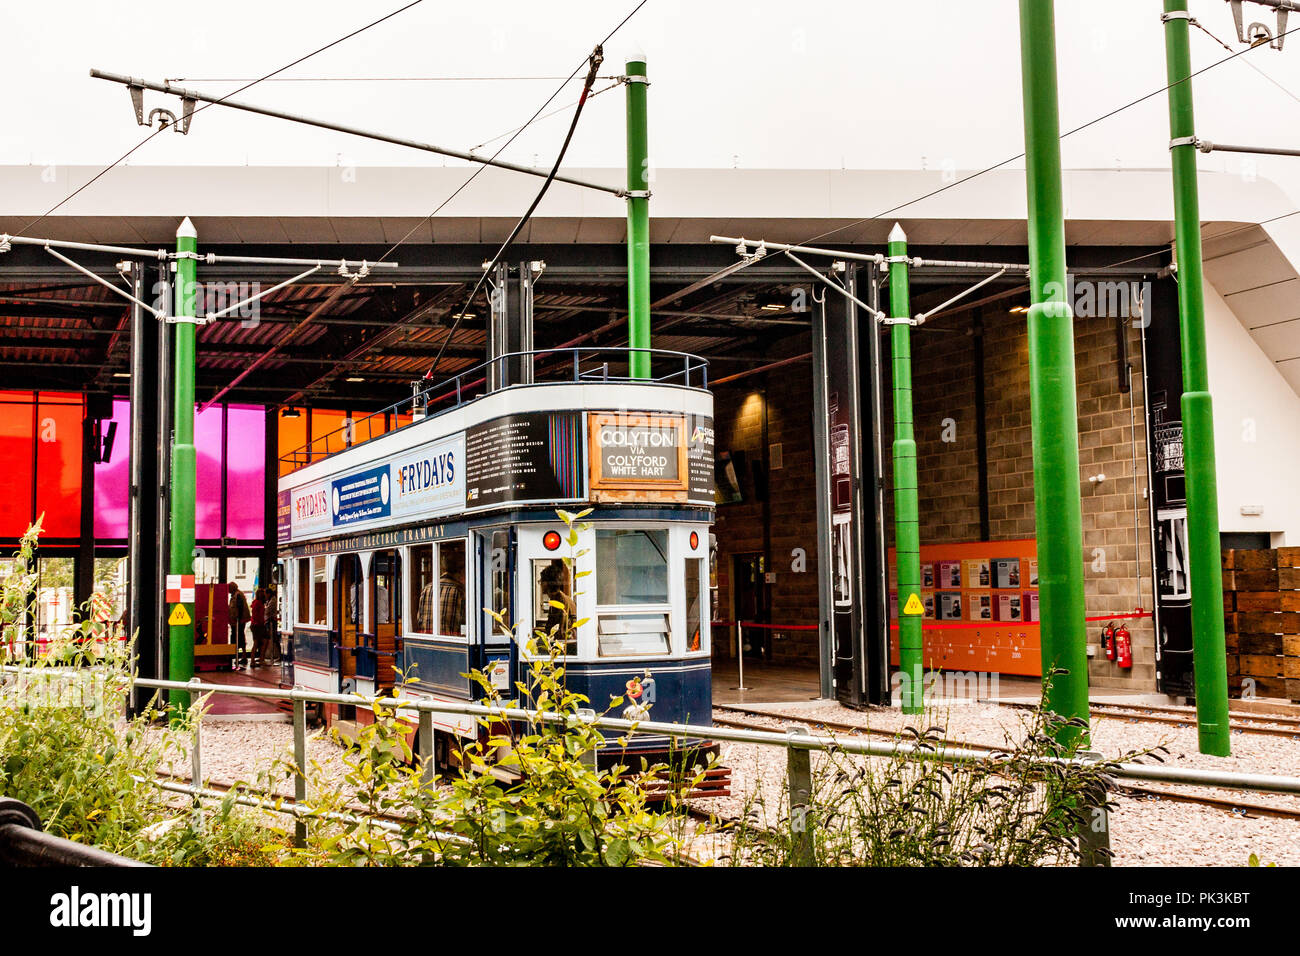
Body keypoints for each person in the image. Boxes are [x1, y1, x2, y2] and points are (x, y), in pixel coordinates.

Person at [227, 582, 250, 669]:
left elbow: (239, 608)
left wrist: (238, 619)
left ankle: (240, 656)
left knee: (238, 637)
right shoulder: (236, 595)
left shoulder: (237, 595)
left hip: (238, 622)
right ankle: (240, 655)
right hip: (236, 621)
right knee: (238, 637)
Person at [250, 587, 269, 666]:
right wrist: (261, 622)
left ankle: (255, 660)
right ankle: (258, 660)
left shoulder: (256, 603)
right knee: (261, 642)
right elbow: (257, 615)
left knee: (258, 642)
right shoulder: (258, 603)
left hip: (256, 625)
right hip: (258, 625)